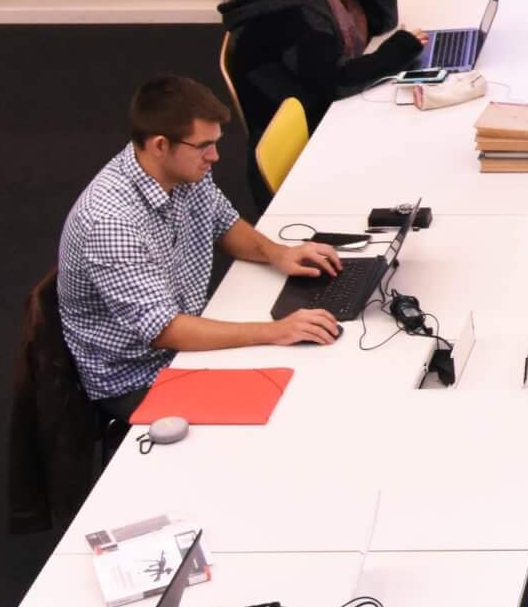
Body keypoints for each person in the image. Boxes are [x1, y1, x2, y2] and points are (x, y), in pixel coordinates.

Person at [57, 76, 345, 423]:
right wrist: (275, 331)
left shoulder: (178, 168)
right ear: (160, 145)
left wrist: (278, 253)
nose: (215, 156)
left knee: (311, 376)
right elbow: (164, 330)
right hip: (139, 376)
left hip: (184, 333)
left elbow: (223, 223)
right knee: (287, 409)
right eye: (204, 146)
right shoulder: (111, 224)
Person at [218, 0, 428, 144]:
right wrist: (398, 50)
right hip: (303, 133)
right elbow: (336, 83)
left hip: (314, 109)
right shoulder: (294, 9)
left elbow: (381, 21)